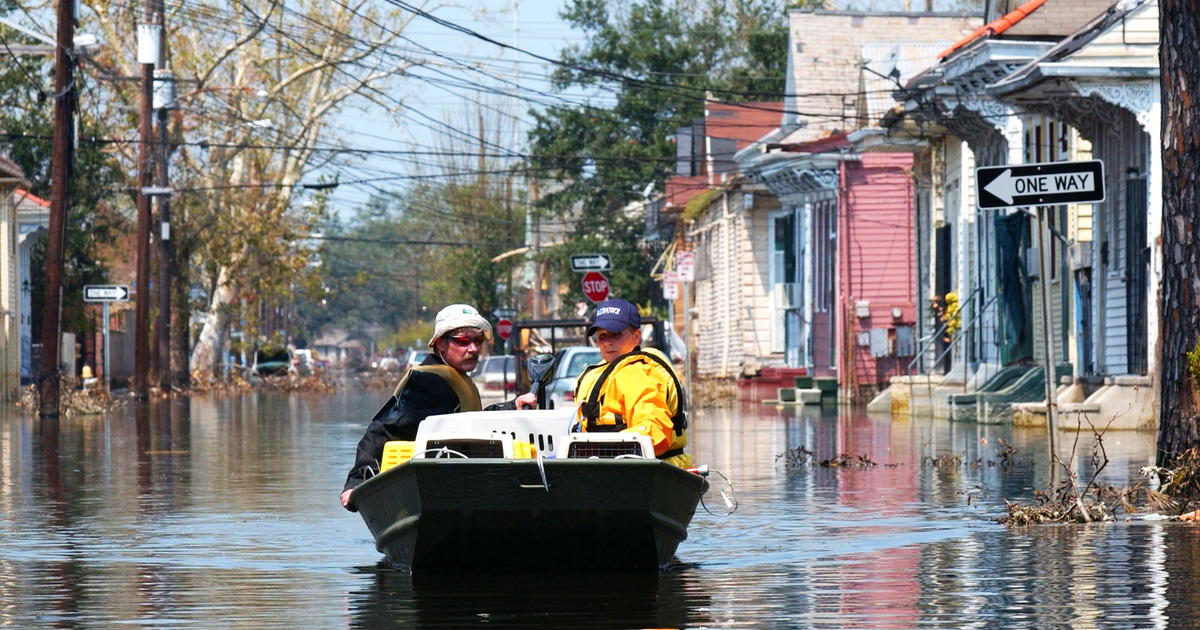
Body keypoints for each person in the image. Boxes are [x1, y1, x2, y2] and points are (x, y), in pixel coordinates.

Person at [340, 304, 535, 510]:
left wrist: (512, 406)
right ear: (441, 343)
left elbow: (470, 422)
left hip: (451, 489)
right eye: (462, 341)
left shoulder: (453, 377)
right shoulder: (428, 383)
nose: (473, 349)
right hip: (425, 494)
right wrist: (357, 481)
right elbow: (384, 430)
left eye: (477, 341)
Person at [573, 298, 691, 468]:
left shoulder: (639, 374)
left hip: (643, 471)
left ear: (636, 337)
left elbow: (653, 430)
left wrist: (600, 447)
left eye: (616, 334)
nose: (608, 342)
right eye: (602, 336)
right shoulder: (604, 371)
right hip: (603, 467)